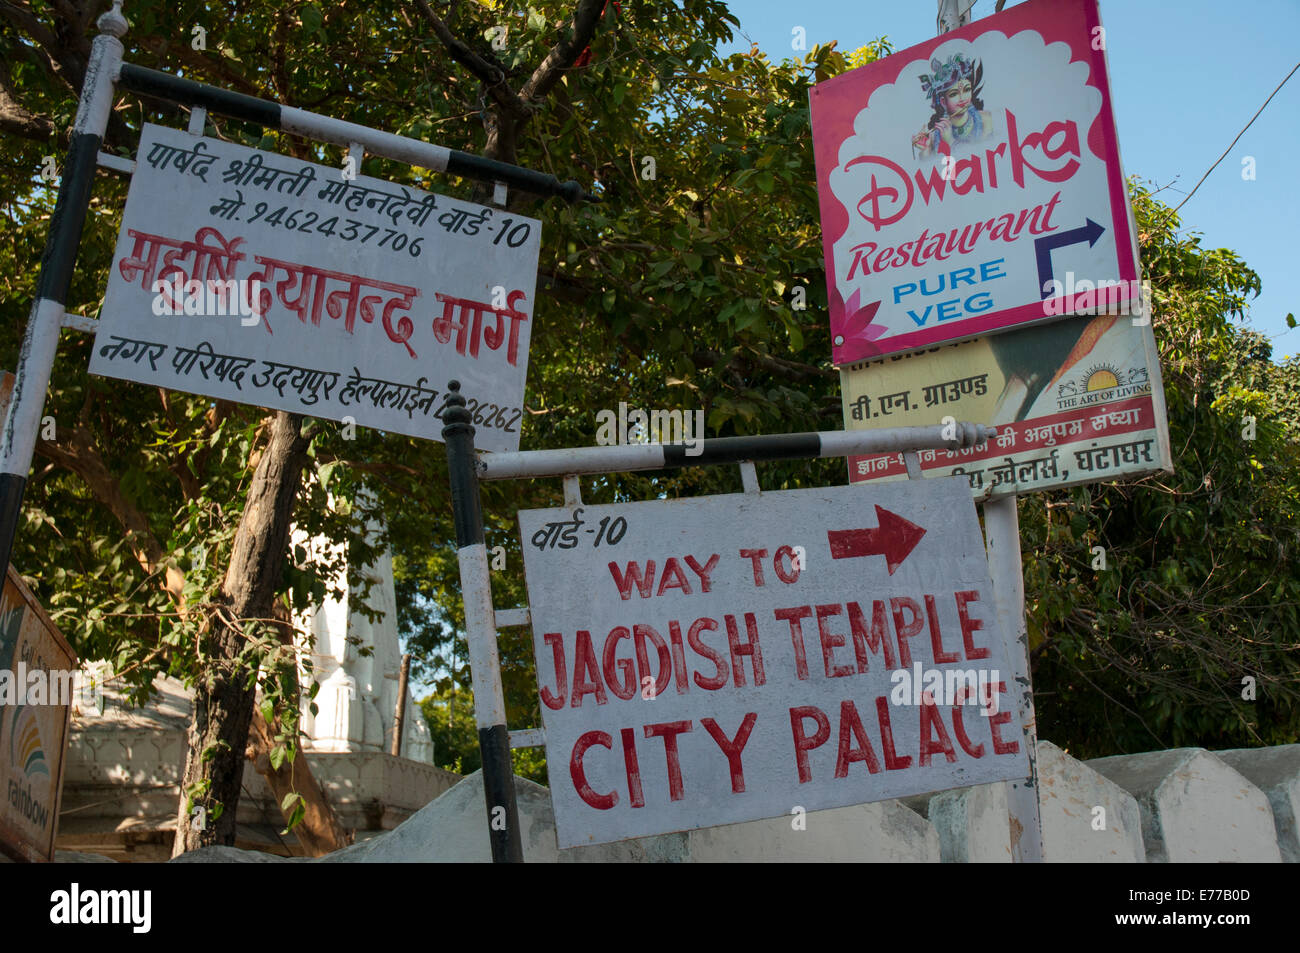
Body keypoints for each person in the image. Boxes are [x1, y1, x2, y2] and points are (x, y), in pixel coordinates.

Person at [911, 53, 993, 158]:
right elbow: (928, 168)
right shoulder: (934, 137)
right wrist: (925, 151)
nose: (962, 98)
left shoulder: (985, 119)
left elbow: (984, 157)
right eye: (954, 94)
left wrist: (950, 142)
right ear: (943, 102)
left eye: (967, 89)